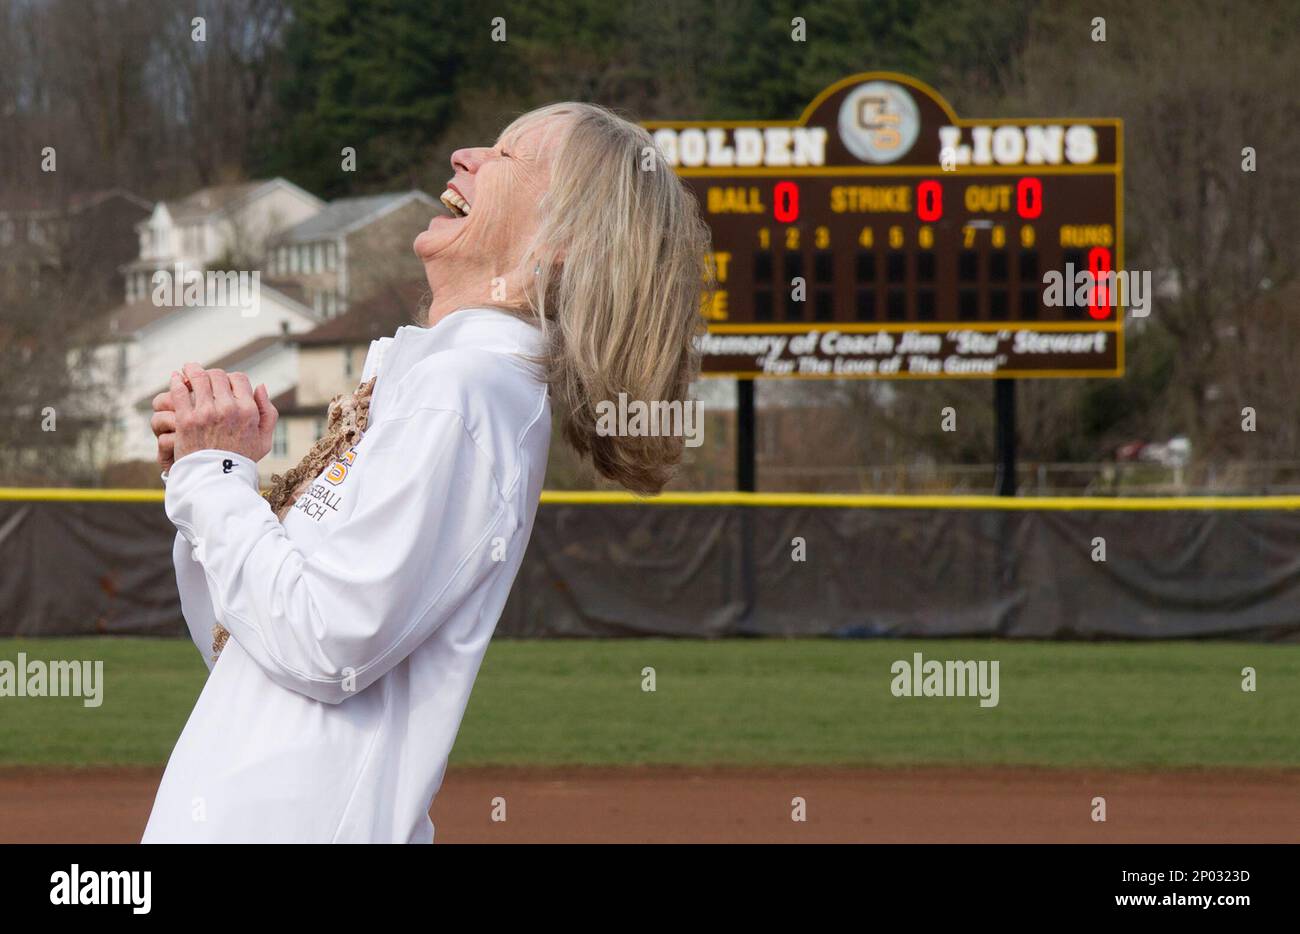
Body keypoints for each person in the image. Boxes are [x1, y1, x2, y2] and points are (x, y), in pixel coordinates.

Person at [141, 102, 710, 842]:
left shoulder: (467, 394)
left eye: (509, 156)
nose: (466, 155)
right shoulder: (437, 384)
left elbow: (325, 644)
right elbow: (241, 644)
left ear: (565, 238)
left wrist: (212, 481)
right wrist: (209, 478)